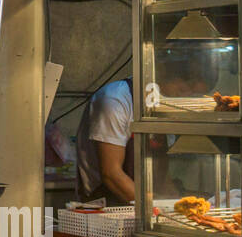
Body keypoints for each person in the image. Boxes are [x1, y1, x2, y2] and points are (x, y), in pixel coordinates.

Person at [75, 54, 213, 204]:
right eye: (186, 88)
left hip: (145, 202)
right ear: (163, 75)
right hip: (106, 206)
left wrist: (174, 201)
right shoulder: (115, 100)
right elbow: (111, 174)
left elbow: (161, 171)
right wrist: (154, 210)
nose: (188, 95)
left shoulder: (167, 105)